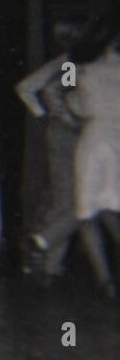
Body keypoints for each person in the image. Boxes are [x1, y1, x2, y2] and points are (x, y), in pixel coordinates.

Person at [32, 17, 120, 297]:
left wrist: (71, 115)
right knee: (107, 210)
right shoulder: (87, 67)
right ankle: (47, 244)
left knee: (87, 211)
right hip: (109, 139)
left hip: (92, 140)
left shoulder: (81, 68)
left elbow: (55, 91)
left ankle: (105, 281)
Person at [15, 19, 85, 277]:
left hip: (67, 132)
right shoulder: (70, 62)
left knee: (64, 197)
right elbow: (39, 89)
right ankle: (44, 252)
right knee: (70, 197)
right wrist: (59, 117)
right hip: (70, 134)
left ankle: (48, 261)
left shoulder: (69, 61)